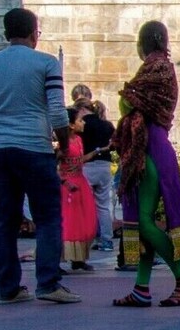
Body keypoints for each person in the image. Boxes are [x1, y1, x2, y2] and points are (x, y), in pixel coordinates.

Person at [0, 8, 80, 304]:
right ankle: (48, 283)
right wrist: (65, 143)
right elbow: (57, 111)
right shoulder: (46, 63)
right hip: (35, 149)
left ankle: (8, 288)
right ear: (34, 34)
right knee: (47, 218)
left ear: (6, 34)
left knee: (6, 218)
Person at [111, 21, 180, 307]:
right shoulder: (162, 67)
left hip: (147, 148)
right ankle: (141, 288)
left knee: (145, 223)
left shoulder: (154, 67)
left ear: (143, 43)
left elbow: (128, 104)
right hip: (154, 145)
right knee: (140, 221)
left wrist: (126, 103)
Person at [71, 84, 118, 253]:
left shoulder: (81, 126)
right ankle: (106, 240)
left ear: (82, 109)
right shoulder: (106, 125)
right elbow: (114, 144)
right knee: (103, 205)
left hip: (87, 166)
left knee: (84, 204)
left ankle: (85, 238)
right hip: (105, 166)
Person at [60, 106, 99, 274]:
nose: (83, 122)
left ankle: (78, 260)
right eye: (80, 120)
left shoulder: (78, 140)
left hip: (80, 183)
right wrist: (64, 182)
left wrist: (99, 151)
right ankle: (56, 261)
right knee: (67, 224)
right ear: (70, 125)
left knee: (85, 221)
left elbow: (79, 160)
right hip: (67, 187)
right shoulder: (62, 143)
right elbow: (52, 165)